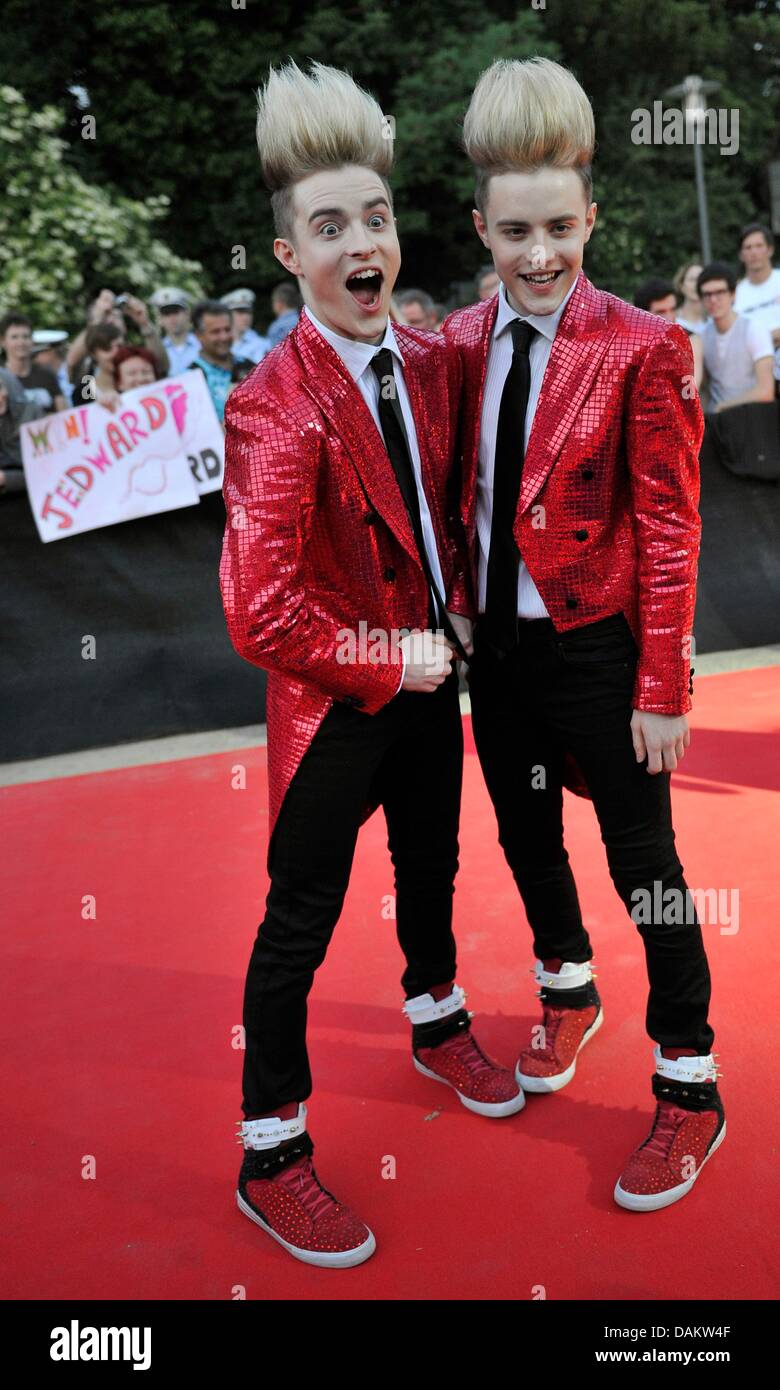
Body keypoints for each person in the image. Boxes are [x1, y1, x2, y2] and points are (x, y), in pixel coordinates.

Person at [218, 58, 523, 1270]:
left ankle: (435, 1014)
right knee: (299, 920)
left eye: (377, 218)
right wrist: (383, 656)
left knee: (433, 863)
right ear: (288, 252)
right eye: (329, 225)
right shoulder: (269, 406)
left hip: (431, 689)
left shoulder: (434, 360)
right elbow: (258, 610)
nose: (362, 241)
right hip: (334, 705)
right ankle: (269, 1153)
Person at [442, 55, 725, 1213]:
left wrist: (663, 685)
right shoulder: (454, 342)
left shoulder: (643, 346)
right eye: (516, 232)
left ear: (592, 215)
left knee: (646, 865)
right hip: (498, 658)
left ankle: (691, 1078)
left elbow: (669, 526)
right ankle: (567, 985)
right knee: (523, 835)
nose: (541, 253)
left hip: (604, 652)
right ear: (481, 225)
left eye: (561, 225)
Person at [698, 262, 775, 414]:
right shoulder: (702, 335)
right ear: (701, 299)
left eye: (720, 292)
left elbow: (766, 391)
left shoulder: (753, 328)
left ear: (733, 294)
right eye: (707, 294)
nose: (713, 300)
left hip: (754, 415)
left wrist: (723, 407)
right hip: (717, 424)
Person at [191, 300, 254, 424]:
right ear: (199, 335)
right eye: (216, 332)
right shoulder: (192, 378)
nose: (224, 337)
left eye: (227, 329)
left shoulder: (250, 366)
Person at [734, 222, 780, 390]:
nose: (754, 252)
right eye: (748, 247)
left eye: (759, 246)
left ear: (770, 250)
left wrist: (762, 339)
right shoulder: (736, 294)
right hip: (754, 371)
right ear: (741, 254)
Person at [0, 313, 67, 415]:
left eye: (25, 336)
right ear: (3, 341)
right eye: (14, 337)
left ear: (32, 340)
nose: (21, 342)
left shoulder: (47, 375)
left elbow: (64, 414)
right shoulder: (1, 378)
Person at [0, 366, 39, 496]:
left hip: (34, 496)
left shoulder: (30, 413)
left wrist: (6, 478)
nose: (3, 394)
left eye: (1, 387)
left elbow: (50, 469)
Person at [150, 287, 201, 375]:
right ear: (160, 320)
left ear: (187, 314)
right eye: (166, 314)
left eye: (176, 312)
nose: (172, 318)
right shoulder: (157, 351)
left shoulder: (203, 344)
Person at [220, 288, 270, 363]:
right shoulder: (219, 342)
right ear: (227, 315)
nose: (246, 317)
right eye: (240, 312)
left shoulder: (262, 344)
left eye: (249, 312)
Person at [265, 281, 300, 346]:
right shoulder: (303, 321)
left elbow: (272, 353)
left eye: (274, 301)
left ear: (279, 303)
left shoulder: (277, 327)